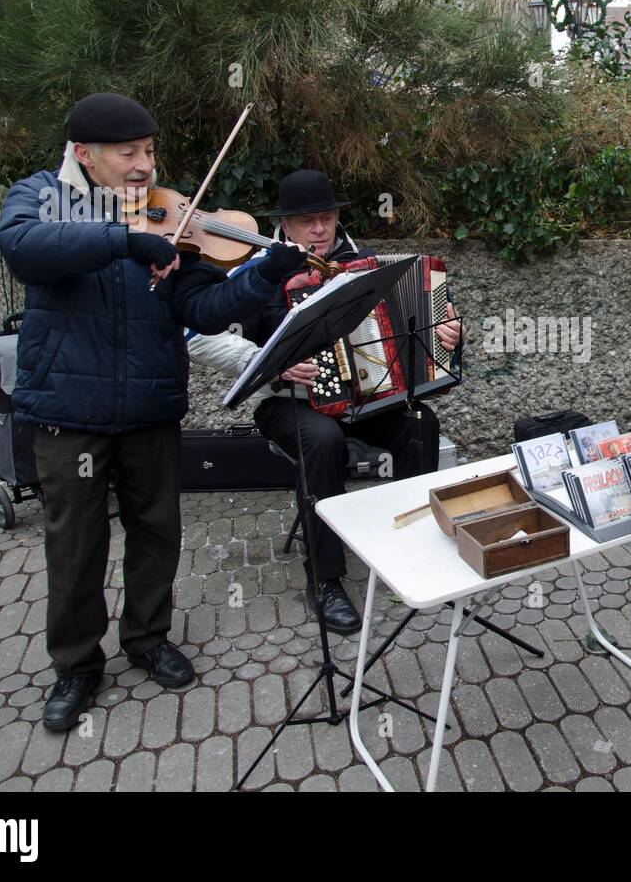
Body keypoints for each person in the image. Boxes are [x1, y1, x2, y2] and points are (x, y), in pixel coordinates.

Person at [0, 92, 310, 732]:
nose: (145, 166)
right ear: (85, 155)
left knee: (158, 532)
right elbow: (21, 247)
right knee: (76, 545)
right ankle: (77, 667)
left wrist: (264, 275)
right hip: (70, 409)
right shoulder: (42, 197)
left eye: (150, 151)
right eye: (129, 153)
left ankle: (147, 639)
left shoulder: (173, 214)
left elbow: (201, 309)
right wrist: (122, 239)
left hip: (148, 406)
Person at [187, 169, 463, 632]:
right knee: (323, 439)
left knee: (421, 424)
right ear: (286, 225)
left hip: (367, 399)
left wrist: (447, 333)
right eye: (307, 221)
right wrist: (266, 361)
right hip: (288, 401)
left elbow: (417, 327)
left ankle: (415, 550)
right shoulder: (258, 269)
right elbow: (197, 336)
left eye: (327, 217)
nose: (319, 229)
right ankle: (326, 579)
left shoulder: (369, 264)